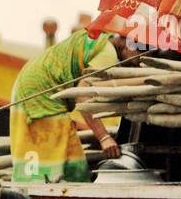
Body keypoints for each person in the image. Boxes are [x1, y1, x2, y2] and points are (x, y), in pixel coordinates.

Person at [10, 28, 132, 183]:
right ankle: (34, 194)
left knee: (72, 159)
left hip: (32, 82)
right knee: (45, 151)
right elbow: (82, 95)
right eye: (140, 55)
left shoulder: (103, 39)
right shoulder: (108, 54)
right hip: (40, 91)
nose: (138, 64)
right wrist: (104, 137)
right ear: (130, 46)